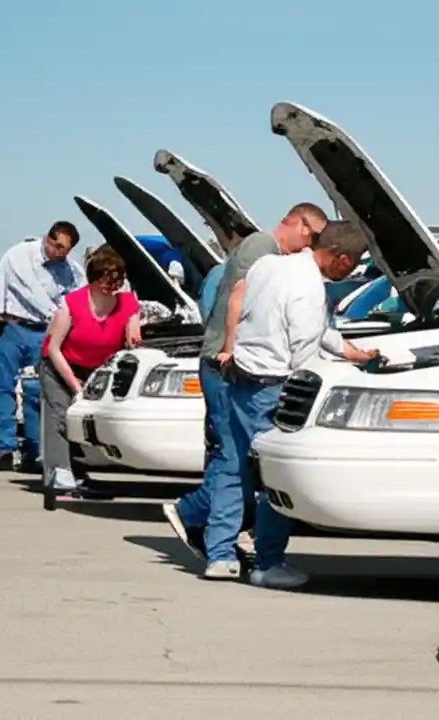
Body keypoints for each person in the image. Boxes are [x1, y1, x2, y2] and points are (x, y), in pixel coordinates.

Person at [192, 221, 379, 589]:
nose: (353, 271)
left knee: (232, 466)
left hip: (237, 378)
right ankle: (269, 562)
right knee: (275, 477)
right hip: (272, 389)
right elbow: (304, 356)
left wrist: (352, 351)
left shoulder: (270, 265)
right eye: (353, 263)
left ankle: (220, 557)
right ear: (341, 259)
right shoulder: (310, 291)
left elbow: (238, 299)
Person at [162, 203, 329, 575]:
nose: (311, 244)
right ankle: (193, 514)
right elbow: (237, 301)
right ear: (297, 222)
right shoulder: (262, 251)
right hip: (230, 366)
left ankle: (217, 544)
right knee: (238, 459)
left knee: (234, 456)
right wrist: (230, 350)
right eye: (312, 235)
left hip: (230, 364)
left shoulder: (268, 256)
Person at [0, 221, 85, 472]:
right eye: (55, 245)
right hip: (16, 327)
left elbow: (79, 294)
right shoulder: (21, 255)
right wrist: (61, 314)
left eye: (64, 249)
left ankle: (34, 450)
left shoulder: (71, 269)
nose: (58, 252)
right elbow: (31, 292)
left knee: (37, 391)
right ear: (47, 239)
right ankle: (5, 448)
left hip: (47, 333)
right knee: (3, 388)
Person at [40, 246, 141, 495]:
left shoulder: (128, 302)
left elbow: (133, 332)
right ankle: (58, 473)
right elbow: (53, 348)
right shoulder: (71, 304)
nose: (110, 288)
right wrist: (75, 385)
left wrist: (134, 335)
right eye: (105, 282)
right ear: (93, 280)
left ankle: (81, 469)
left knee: (88, 419)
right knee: (60, 414)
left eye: (116, 283)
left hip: (97, 368)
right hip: (61, 364)